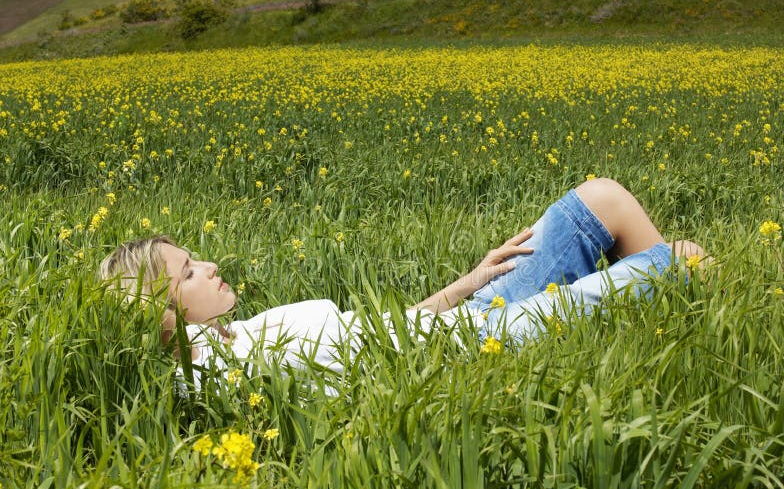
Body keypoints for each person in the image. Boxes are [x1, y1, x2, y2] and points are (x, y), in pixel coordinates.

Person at [98, 178, 707, 387]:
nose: (208, 267)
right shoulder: (208, 377)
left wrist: (469, 280)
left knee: (600, 199)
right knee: (685, 259)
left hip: (465, 317)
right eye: (187, 272)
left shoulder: (244, 332)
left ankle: (673, 332)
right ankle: (688, 331)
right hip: (480, 347)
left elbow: (387, 331)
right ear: (161, 310)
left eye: (196, 258)